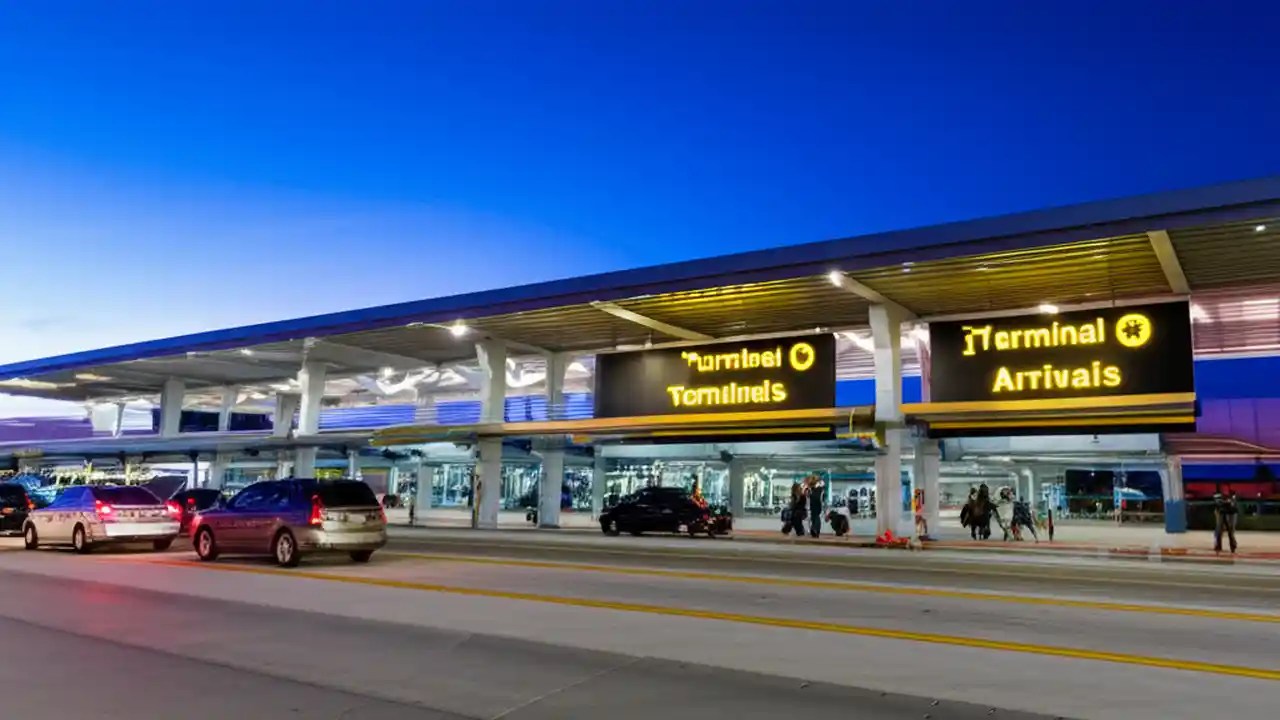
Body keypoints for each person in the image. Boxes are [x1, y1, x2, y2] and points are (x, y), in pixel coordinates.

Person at [1213, 487, 1239, 554]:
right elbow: (1218, 503)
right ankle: (1218, 545)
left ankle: (1233, 545)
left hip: (1230, 512)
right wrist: (1226, 502)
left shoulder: (1232, 493)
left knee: (1231, 530)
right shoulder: (1217, 494)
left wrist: (1228, 502)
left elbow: (1233, 504)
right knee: (1219, 529)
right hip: (1221, 513)